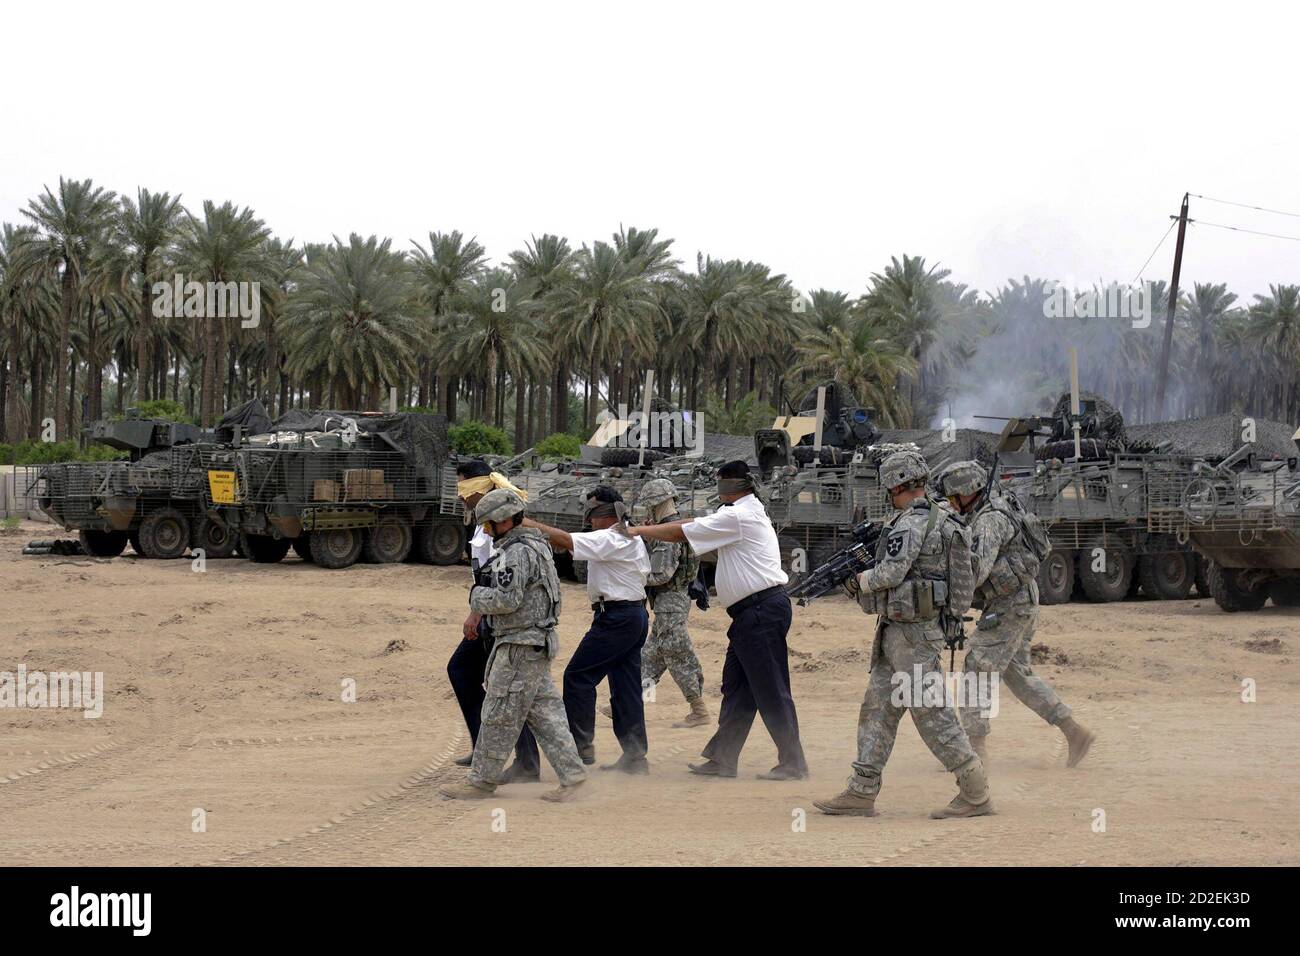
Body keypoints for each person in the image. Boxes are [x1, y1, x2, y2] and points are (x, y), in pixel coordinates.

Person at [814, 450, 993, 819]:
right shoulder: (941, 517)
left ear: (897, 486)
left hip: (913, 637)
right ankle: (862, 790)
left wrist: (855, 581)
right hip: (900, 632)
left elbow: (890, 574)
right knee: (878, 708)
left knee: (932, 713)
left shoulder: (913, 523)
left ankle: (975, 792)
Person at [628, 460, 807, 780]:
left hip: (760, 611)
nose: (717, 489)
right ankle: (724, 758)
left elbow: (684, 530)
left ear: (733, 485)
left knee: (770, 688)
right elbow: (695, 524)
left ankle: (793, 762)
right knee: (738, 688)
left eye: (721, 483)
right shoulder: (741, 512)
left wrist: (638, 530)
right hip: (751, 613)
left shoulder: (739, 515)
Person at [935, 460, 1095, 767]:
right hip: (1019, 599)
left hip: (1009, 604)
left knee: (976, 668)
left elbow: (976, 571)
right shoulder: (996, 507)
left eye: (954, 496)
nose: (951, 502)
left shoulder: (988, 521)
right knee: (1018, 674)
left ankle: (974, 750)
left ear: (969, 491)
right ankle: (1075, 732)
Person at [439, 488, 588, 803]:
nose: (485, 531)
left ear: (504, 520)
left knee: (498, 712)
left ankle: (481, 781)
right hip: (535, 642)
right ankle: (572, 776)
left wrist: (476, 596)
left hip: (519, 644)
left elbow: (508, 599)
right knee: (547, 714)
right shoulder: (536, 544)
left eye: (488, 525)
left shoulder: (514, 552)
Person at [527, 487, 652, 774]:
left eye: (592, 515)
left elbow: (567, 539)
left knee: (578, 677)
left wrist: (529, 524)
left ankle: (581, 748)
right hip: (630, 614)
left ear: (605, 514)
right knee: (625, 687)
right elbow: (572, 545)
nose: (589, 521)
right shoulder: (624, 534)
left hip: (617, 617)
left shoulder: (613, 536)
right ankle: (635, 756)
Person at [445, 460, 540, 781]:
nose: (460, 497)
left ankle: (522, 760)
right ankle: (489, 748)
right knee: (490, 681)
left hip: (500, 618)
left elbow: (496, 574)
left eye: (465, 489)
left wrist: (477, 613)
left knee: (501, 685)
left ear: (482, 488)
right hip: (494, 615)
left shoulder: (497, 526)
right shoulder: (484, 523)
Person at [634, 477, 709, 728]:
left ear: (655, 504)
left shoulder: (668, 533)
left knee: (678, 654)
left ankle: (699, 710)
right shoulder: (671, 528)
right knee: (650, 657)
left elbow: (662, 574)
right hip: (670, 601)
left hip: (671, 601)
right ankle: (631, 703)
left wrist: (631, 577)